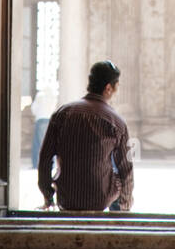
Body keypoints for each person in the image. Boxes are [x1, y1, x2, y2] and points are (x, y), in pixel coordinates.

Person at [37, 60, 133, 213]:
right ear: (108, 88)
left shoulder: (62, 114)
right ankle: (117, 212)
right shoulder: (117, 122)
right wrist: (125, 205)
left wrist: (48, 197)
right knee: (117, 166)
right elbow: (126, 169)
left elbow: (45, 158)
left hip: (66, 198)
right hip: (100, 199)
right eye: (117, 87)